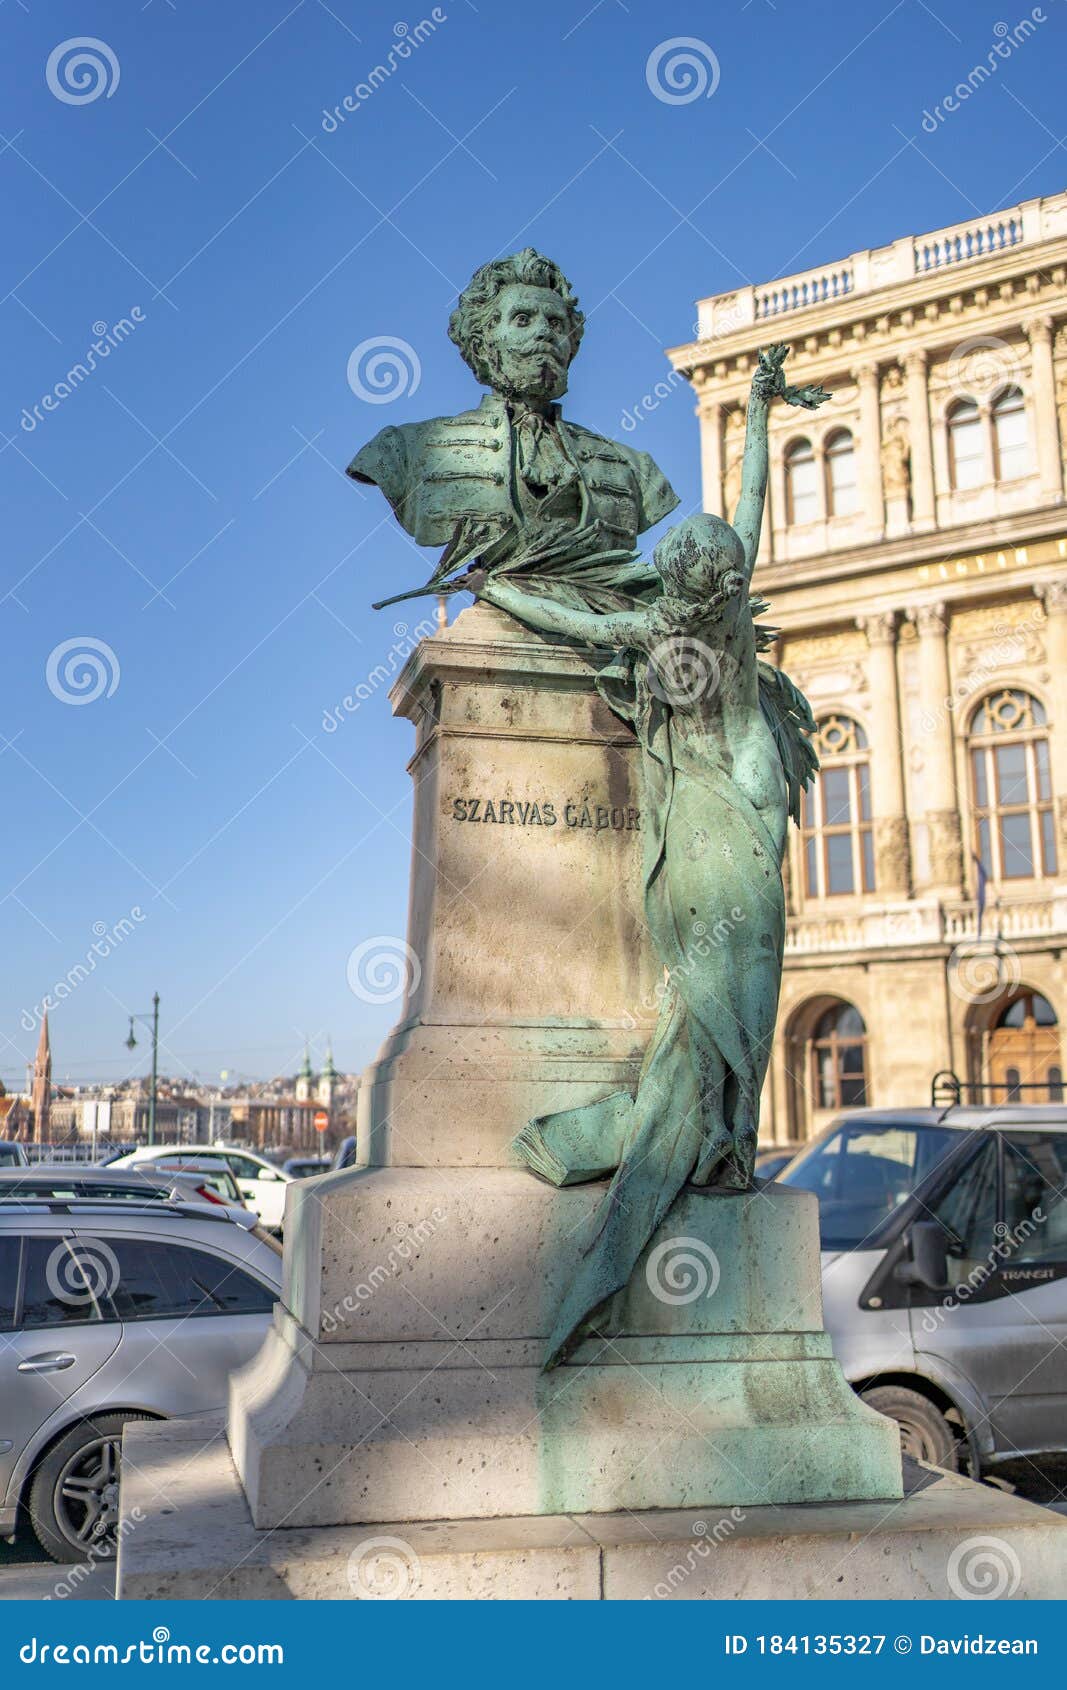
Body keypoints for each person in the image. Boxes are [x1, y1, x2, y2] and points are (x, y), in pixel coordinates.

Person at [471, 343, 829, 1368]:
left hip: (696, 857)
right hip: (737, 856)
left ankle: (695, 1151)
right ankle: (720, 1154)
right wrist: (757, 415)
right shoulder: (727, 629)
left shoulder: (653, 633)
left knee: (706, 1024)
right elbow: (749, 499)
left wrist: (503, 586)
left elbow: (566, 614)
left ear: (682, 576)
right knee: (732, 1030)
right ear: (724, 581)